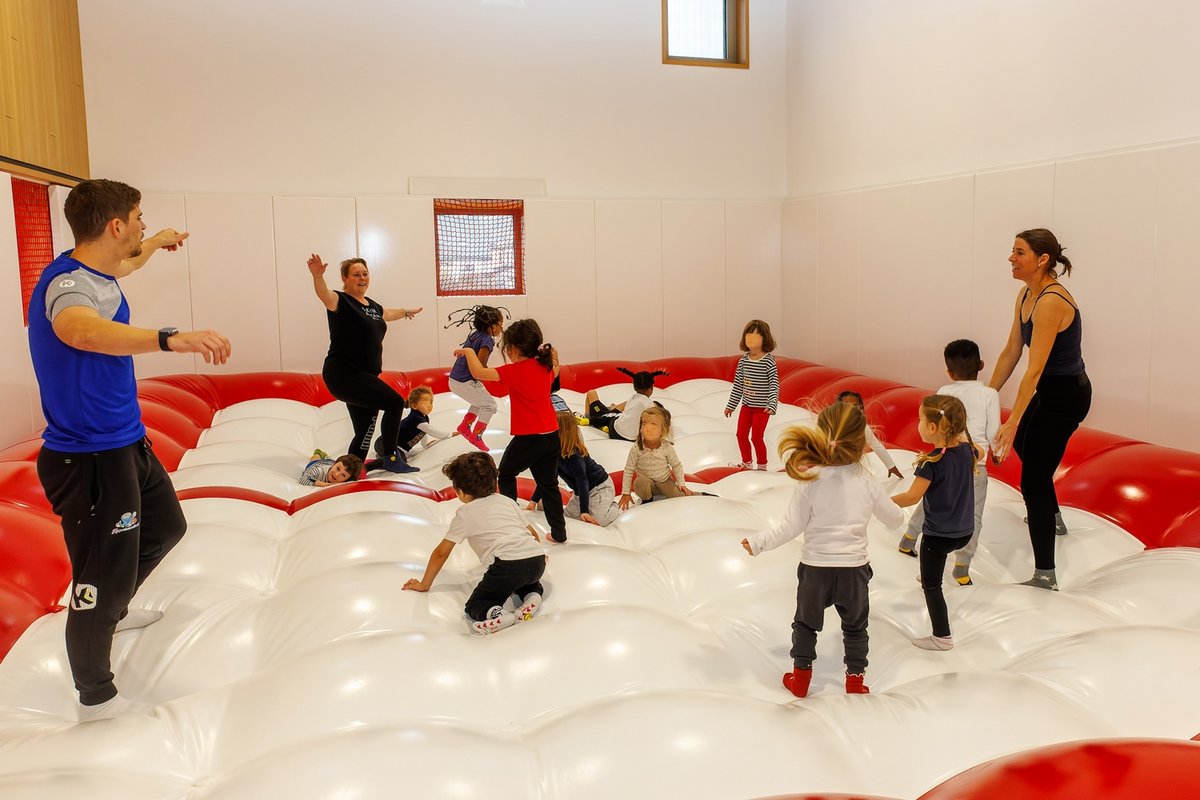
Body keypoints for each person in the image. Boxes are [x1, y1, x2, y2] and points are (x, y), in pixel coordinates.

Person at [27, 179, 232, 721]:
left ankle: (112, 608)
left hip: (125, 440)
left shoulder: (99, 268)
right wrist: (170, 339)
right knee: (99, 575)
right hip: (88, 458)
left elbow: (129, 262)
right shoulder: (68, 286)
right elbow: (81, 331)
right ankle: (96, 696)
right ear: (115, 225)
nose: (142, 226)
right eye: (139, 218)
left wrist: (160, 239)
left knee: (168, 528)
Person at [740, 402, 904, 698]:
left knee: (805, 623)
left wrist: (758, 542)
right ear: (862, 442)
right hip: (854, 570)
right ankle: (855, 680)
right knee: (855, 628)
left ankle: (800, 678)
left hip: (815, 569)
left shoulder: (811, 478)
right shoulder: (867, 480)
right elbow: (893, 519)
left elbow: (791, 527)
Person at [988, 229, 1090, 591]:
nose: (1011, 258)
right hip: (1048, 391)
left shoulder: (1051, 302)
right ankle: (1055, 515)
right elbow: (1011, 351)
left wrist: (1012, 419)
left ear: (1042, 259)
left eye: (1019, 252)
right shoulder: (1025, 294)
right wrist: (986, 398)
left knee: (1032, 478)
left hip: (1067, 396)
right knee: (1026, 451)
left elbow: (1033, 368)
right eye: (1012, 250)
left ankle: (1045, 574)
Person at [402, 452, 546, 635]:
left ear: (460, 492)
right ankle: (533, 596)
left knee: (475, 605)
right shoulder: (507, 502)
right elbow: (532, 533)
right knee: (529, 582)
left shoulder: (465, 513)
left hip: (507, 567)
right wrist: (539, 555)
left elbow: (441, 553)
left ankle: (498, 614)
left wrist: (424, 584)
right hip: (536, 560)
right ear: (495, 482)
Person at [453, 318, 568, 543]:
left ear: (513, 350)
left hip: (529, 438)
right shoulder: (545, 367)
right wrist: (551, 352)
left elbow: (478, 373)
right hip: (551, 436)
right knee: (549, 484)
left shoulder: (515, 371)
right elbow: (556, 364)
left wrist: (468, 351)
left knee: (505, 474)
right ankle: (559, 533)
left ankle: (511, 524)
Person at [897, 340, 1000, 586]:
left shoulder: (945, 389)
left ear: (949, 372)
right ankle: (962, 567)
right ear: (981, 365)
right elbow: (993, 431)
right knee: (973, 515)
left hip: (945, 457)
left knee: (932, 500)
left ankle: (909, 538)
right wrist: (993, 451)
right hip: (973, 463)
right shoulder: (990, 395)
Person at [307, 252, 422, 468]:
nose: (362, 278)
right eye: (356, 275)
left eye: (365, 274)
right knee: (395, 402)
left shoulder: (372, 306)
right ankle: (391, 457)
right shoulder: (340, 301)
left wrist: (406, 312)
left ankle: (352, 468)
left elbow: (388, 313)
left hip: (364, 376)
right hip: (344, 373)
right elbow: (324, 295)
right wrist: (317, 276)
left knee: (365, 430)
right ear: (345, 279)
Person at [891, 395, 979, 652]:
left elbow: (911, 497)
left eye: (919, 419)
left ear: (932, 428)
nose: (917, 423)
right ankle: (930, 571)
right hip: (965, 532)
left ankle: (942, 637)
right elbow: (980, 451)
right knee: (932, 569)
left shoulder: (931, 462)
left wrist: (879, 502)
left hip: (938, 536)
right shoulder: (968, 450)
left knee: (932, 585)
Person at [529, 412, 622, 527]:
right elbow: (547, 479)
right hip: (580, 492)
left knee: (598, 520)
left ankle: (614, 506)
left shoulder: (575, 456)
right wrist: (533, 501)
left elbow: (583, 482)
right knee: (569, 518)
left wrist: (584, 511)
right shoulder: (554, 453)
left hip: (599, 488)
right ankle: (590, 507)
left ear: (563, 433)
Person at [446, 305, 506, 451]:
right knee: (490, 406)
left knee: (480, 402)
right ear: (492, 326)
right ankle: (476, 435)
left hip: (457, 379)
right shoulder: (487, 341)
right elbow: (479, 368)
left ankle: (464, 426)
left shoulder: (474, 334)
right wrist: (498, 376)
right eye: (500, 324)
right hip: (464, 381)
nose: (501, 327)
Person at [363, 386, 457, 474]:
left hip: (391, 446)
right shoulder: (415, 418)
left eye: (431, 402)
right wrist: (450, 434)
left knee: (399, 458)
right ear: (414, 406)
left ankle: (379, 461)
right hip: (384, 443)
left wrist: (425, 445)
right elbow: (433, 431)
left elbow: (423, 432)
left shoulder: (424, 418)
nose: (429, 405)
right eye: (425, 401)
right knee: (400, 460)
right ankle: (367, 467)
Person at [725, 319, 780, 470]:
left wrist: (771, 404)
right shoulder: (743, 361)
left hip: (762, 408)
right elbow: (737, 386)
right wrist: (731, 406)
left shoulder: (768, 362)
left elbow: (774, 385)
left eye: (755, 335)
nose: (750, 338)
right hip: (747, 406)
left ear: (764, 339)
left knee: (756, 437)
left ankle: (762, 465)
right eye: (748, 334)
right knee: (740, 435)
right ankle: (747, 463)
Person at [617, 406, 695, 509]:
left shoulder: (666, 447)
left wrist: (681, 484)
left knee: (678, 496)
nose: (647, 429)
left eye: (653, 426)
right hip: (646, 483)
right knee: (639, 484)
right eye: (644, 424)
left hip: (664, 481)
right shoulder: (637, 448)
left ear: (663, 431)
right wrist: (626, 493)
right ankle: (648, 500)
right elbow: (629, 469)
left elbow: (676, 465)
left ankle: (700, 494)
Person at [584, 367, 668, 441]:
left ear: (634, 387)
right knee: (615, 414)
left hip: (613, 427)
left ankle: (588, 417)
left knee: (591, 393)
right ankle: (606, 414)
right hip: (632, 437)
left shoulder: (633, 399)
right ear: (651, 388)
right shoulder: (647, 404)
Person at [837, 391, 904, 480]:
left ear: (860, 408)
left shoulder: (863, 428)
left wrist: (891, 466)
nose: (852, 409)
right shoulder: (834, 427)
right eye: (847, 406)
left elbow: (876, 445)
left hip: (851, 468)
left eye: (856, 406)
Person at [299, 452, 363, 486]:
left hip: (330, 462)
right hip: (317, 463)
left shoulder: (347, 480)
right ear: (334, 465)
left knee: (331, 461)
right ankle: (319, 453)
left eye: (343, 475)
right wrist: (324, 484)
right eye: (337, 469)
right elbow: (303, 479)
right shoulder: (318, 471)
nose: (337, 474)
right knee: (314, 459)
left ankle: (327, 458)